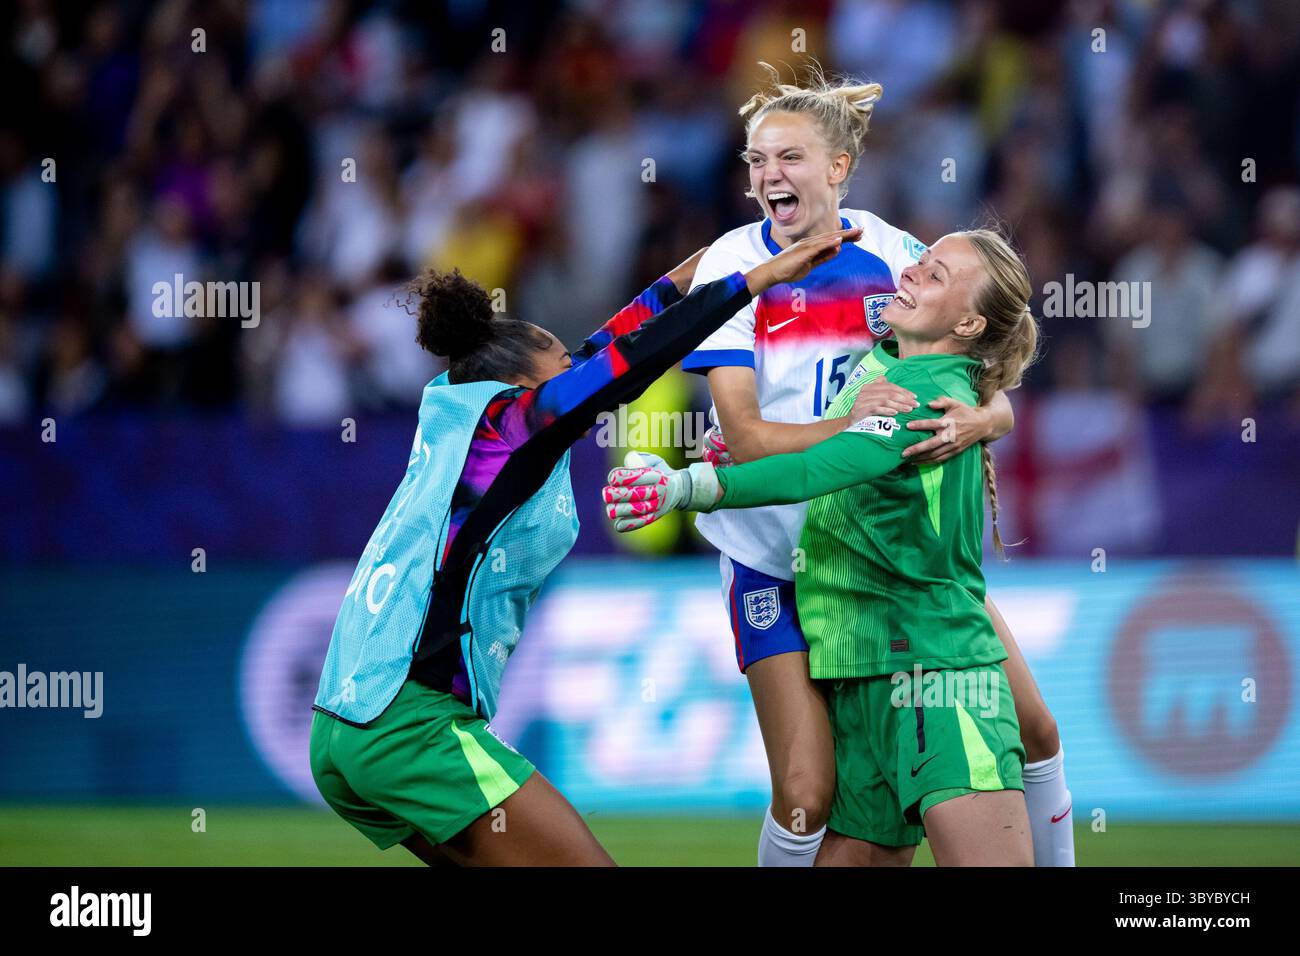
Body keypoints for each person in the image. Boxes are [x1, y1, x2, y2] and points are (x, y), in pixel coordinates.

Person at [308, 226, 860, 866]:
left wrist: (722, 254)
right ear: (521, 377)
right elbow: (629, 364)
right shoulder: (512, 424)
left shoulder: (461, 417)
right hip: (406, 722)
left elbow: (620, 337)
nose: (577, 361)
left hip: (345, 724)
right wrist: (757, 280)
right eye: (562, 356)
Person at [682, 64, 1072, 866]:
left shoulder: (897, 255)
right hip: (770, 558)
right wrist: (851, 425)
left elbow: (980, 339)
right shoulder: (733, 266)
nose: (767, 176)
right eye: (755, 160)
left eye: (788, 157)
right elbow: (750, 442)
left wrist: (987, 416)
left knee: (1035, 727)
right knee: (805, 795)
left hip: (881, 557)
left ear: (838, 168)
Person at [605, 229, 1040, 865]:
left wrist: (687, 485)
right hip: (861, 675)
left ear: (970, 323)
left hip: (937, 676)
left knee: (1037, 741)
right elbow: (816, 435)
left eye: (937, 275)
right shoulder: (886, 352)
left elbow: (818, 470)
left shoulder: (923, 394)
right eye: (922, 260)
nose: (912, 271)